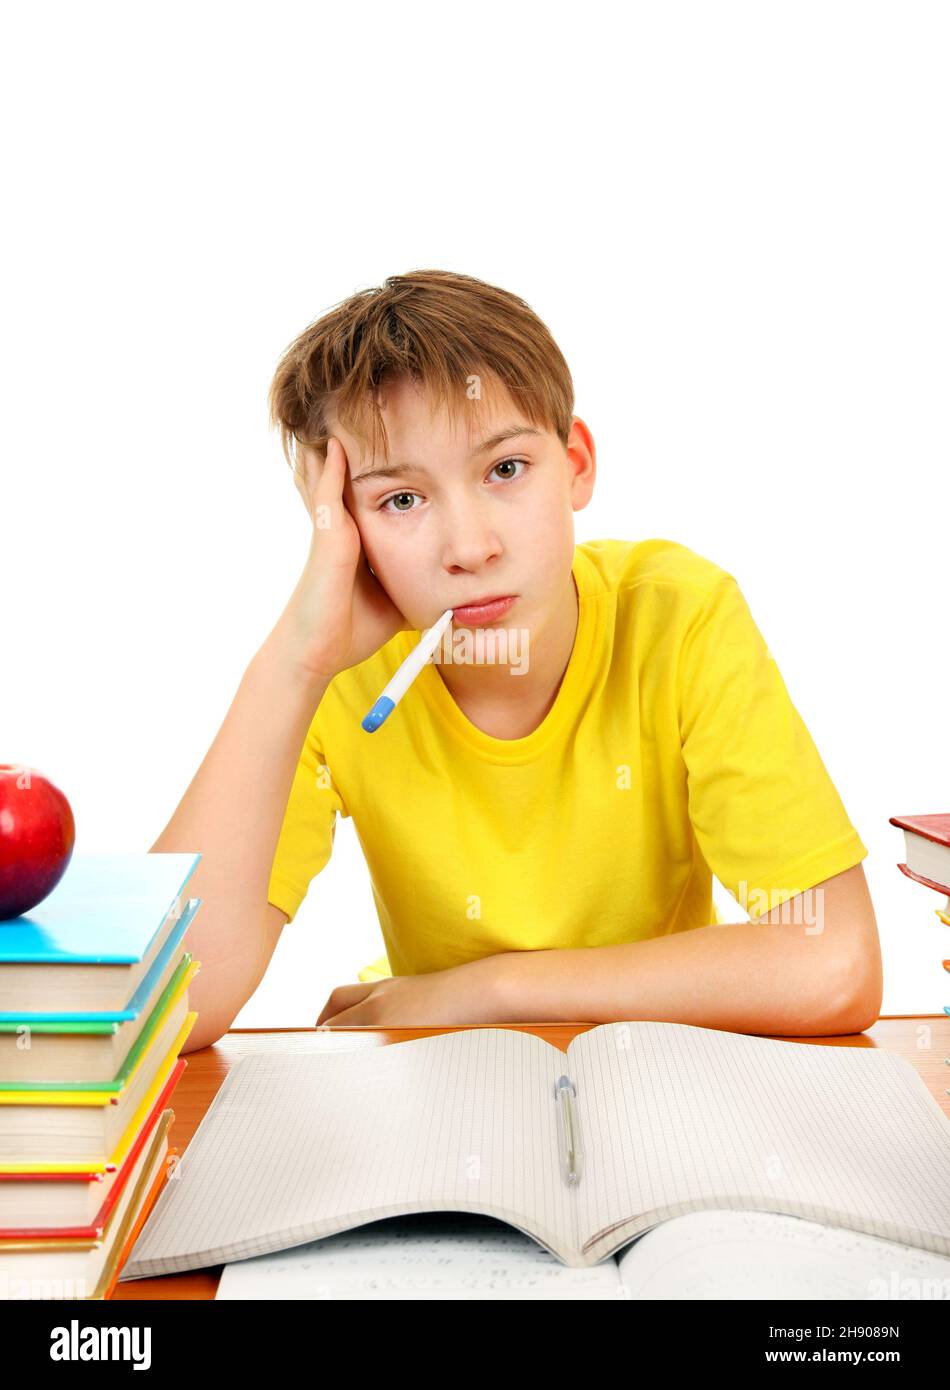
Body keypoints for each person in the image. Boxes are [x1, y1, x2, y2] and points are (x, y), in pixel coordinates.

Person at [154, 269, 882, 1050]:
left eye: (505, 470)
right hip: (444, 1085)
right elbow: (166, 1010)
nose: (470, 548)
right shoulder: (336, 672)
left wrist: (493, 989)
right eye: (401, 500)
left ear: (575, 464)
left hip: (645, 1074)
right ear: (341, 523)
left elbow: (836, 962)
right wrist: (291, 668)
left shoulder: (678, 615)